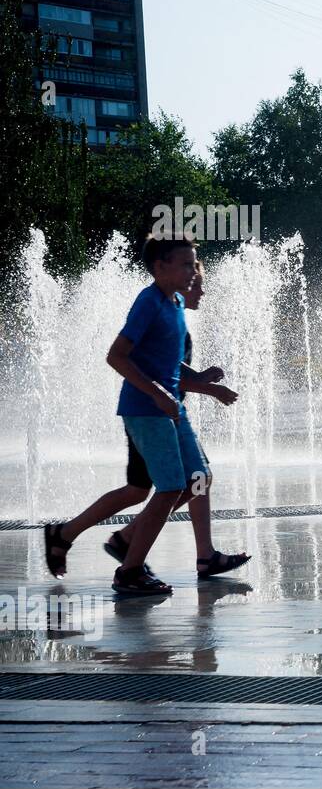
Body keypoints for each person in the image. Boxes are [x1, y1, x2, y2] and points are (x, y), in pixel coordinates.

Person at [43, 238, 242, 595]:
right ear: (160, 266)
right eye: (184, 264)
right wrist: (158, 393)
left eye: (193, 264)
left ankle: (125, 541)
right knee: (169, 488)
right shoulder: (148, 302)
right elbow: (116, 356)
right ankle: (129, 570)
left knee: (199, 478)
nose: (191, 272)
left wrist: (197, 378)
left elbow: (164, 359)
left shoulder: (176, 303)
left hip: (169, 409)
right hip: (145, 411)